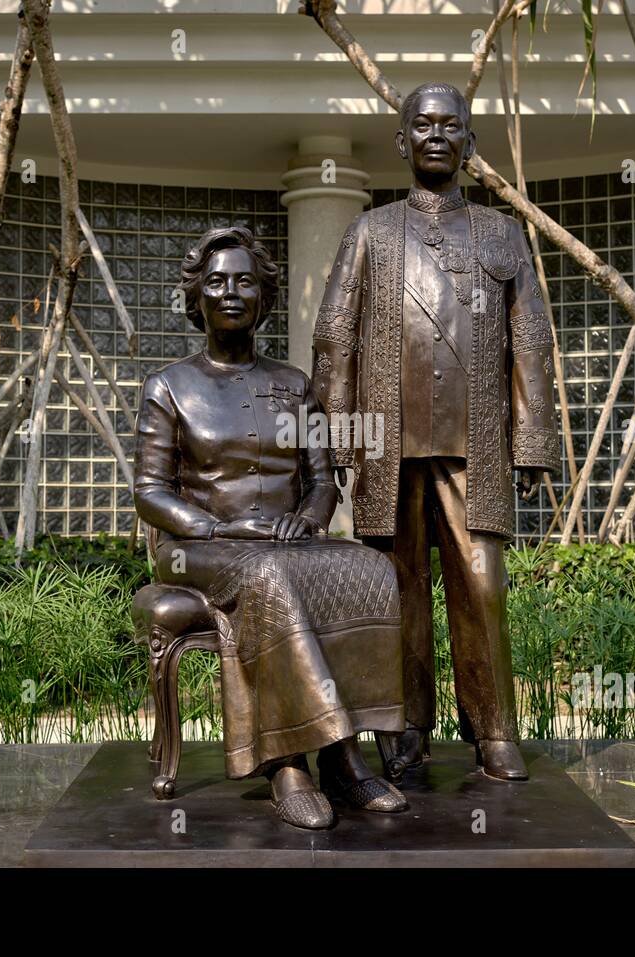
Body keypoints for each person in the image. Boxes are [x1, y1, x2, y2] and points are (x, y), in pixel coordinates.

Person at [311, 82, 562, 782]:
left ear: (469, 143)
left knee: (483, 587)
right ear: (401, 141)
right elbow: (335, 336)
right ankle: (404, 727)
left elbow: (530, 339)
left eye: (451, 126)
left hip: (474, 443)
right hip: (385, 444)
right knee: (396, 593)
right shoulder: (370, 231)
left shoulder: (500, 233)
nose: (435, 136)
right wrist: (337, 437)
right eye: (422, 125)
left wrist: (532, 440)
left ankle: (494, 729)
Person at [133, 225, 408, 830]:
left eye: (245, 282)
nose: (231, 292)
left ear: (264, 297)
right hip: (197, 550)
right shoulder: (169, 387)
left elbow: (321, 481)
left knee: (371, 568)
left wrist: (305, 521)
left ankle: (343, 758)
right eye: (216, 282)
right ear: (195, 297)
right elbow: (149, 492)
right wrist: (213, 528)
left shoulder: (295, 384)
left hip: (286, 545)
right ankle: (286, 764)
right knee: (269, 577)